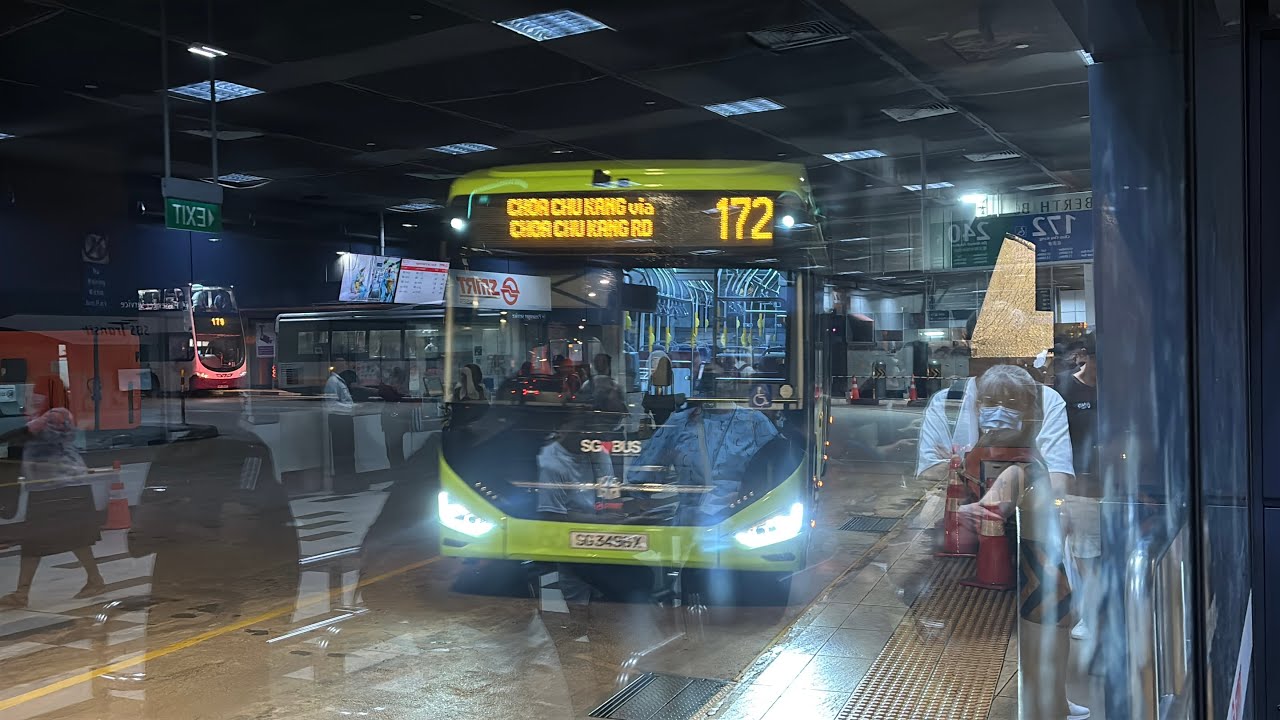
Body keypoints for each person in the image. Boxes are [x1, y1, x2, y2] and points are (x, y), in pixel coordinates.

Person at [962, 366, 1089, 720]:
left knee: (1051, 618)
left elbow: (1054, 471)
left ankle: (1052, 701)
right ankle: (1047, 703)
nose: (998, 409)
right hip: (1011, 550)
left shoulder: (1045, 409)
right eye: (991, 401)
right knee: (1039, 620)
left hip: (1035, 542)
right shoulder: (972, 399)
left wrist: (1059, 509)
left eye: (1011, 402)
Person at [916, 314, 1074, 494]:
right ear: (970, 345)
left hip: (1026, 516)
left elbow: (1059, 480)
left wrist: (958, 467)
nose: (995, 353)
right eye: (986, 344)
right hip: (960, 515)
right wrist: (1027, 471)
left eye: (1003, 343)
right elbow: (928, 474)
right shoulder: (947, 401)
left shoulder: (1046, 400)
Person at [1, 379, 105, 607]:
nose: (34, 398)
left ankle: (21, 593)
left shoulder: (57, 415)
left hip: (62, 484)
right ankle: (94, 579)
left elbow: (22, 433)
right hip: (52, 484)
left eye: (39, 393)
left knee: (38, 539)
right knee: (69, 537)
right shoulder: (46, 415)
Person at [1057, 333, 1100, 641]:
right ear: (1087, 356)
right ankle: (1092, 614)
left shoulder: (1123, 387)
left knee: (1104, 554)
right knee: (1085, 553)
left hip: (1115, 485)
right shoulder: (1064, 387)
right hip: (1080, 487)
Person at [324, 359, 357, 491]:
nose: (344, 365)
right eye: (341, 362)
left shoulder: (340, 380)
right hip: (339, 419)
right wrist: (350, 408)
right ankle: (343, 484)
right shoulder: (332, 382)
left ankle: (350, 481)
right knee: (342, 452)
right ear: (335, 365)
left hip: (346, 418)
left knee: (349, 451)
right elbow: (331, 404)